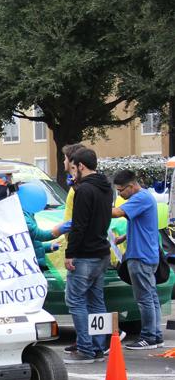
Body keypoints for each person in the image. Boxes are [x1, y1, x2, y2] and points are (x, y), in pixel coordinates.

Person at [63, 148, 111, 363]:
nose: (73, 172)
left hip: (84, 254)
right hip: (102, 251)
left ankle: (85, 349)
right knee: (96, 301)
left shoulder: (84, 190)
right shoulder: (106, 187)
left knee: (75, 301)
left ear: (81, 166)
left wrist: (70, 253)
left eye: (74, 167)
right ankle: (99, 347)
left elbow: (79, 226)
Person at [112, 170, 164, 349]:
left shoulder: (140, 198)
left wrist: (95, 208)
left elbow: (117, 212)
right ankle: (156, 335)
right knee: (151, 297)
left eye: (121, 190)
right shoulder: (146, 197)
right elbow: (143, 224)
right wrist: (124, 237)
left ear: (131, 186)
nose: (120, 194)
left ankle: (148, 337)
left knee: (144, 299)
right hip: (147, 254)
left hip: (140, 255)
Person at [61, 143, 85, 222]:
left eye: (65, 159)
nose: (64, 162)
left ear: (71, 161)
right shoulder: (75, 185)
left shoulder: (79, 188)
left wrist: (61, 227)